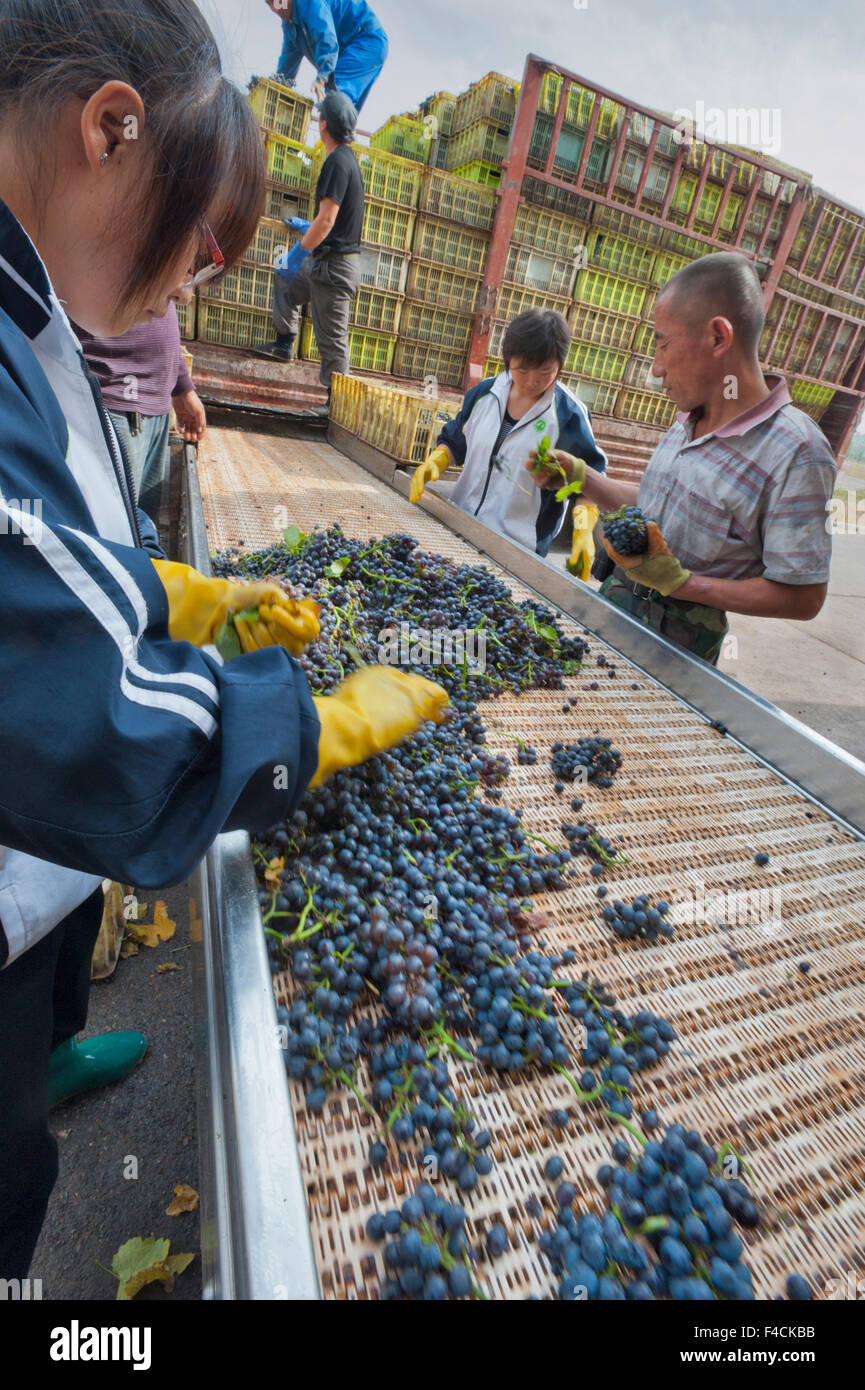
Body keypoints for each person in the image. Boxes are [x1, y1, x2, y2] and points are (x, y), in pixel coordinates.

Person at [0, 0, 445, 1282]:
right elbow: (73, 699)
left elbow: (38, 544)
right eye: (196, 242)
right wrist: (309, 718)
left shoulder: (29, 299)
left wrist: (167, 594)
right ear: (109, 130)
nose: (186, 283)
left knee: (32, 1052)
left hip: (26, 888)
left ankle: (44, 1051)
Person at [530, 252, 836, 664]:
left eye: (662, 343)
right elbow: (657, 510)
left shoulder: (797, 453)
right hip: (612, 609)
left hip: (676, 650)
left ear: (718, 337)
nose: (655, 368)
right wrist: (583, 476)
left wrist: (684, 585)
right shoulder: (687, 419)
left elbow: (804, 596)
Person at [410, 309, 608, 557]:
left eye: (545, 371)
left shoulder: (569, 414)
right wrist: (437, 460)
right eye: (522, 370)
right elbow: (456, 439)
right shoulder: (484, 393)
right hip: (458, 527)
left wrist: (583, 528)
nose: (532, 381)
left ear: (560, 366)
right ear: (507, 359)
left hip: (518, 549)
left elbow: (590, 480)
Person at [264, 91, 363, 416]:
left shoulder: (337, 162)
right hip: (324, 262)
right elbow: (333, 219)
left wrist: (298, 251)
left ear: (323, 125)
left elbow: (328, 219)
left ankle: (336, 407)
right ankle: (284, 345)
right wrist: (311, 228)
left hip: (334, 269)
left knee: (332, 339)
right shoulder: (346, 160)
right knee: (285, 280)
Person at [75, 303, 207, 524]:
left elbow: (164, 311)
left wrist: (181, 384)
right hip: (116, 403)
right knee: (115, 527)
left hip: (156, 406)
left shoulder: (161, 294)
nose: (185, 297)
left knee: (143, 525)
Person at [265, 0, 388, 112]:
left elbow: (326, 39)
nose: (275, 9)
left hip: (366, 41)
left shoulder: (310, 3)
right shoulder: (290, 26)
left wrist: (323, 77)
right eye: (269, 3)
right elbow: (286, 68)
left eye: (278, 1)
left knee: (335, 103)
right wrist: (275, 89)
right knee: (343, 113)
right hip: (350, 51)